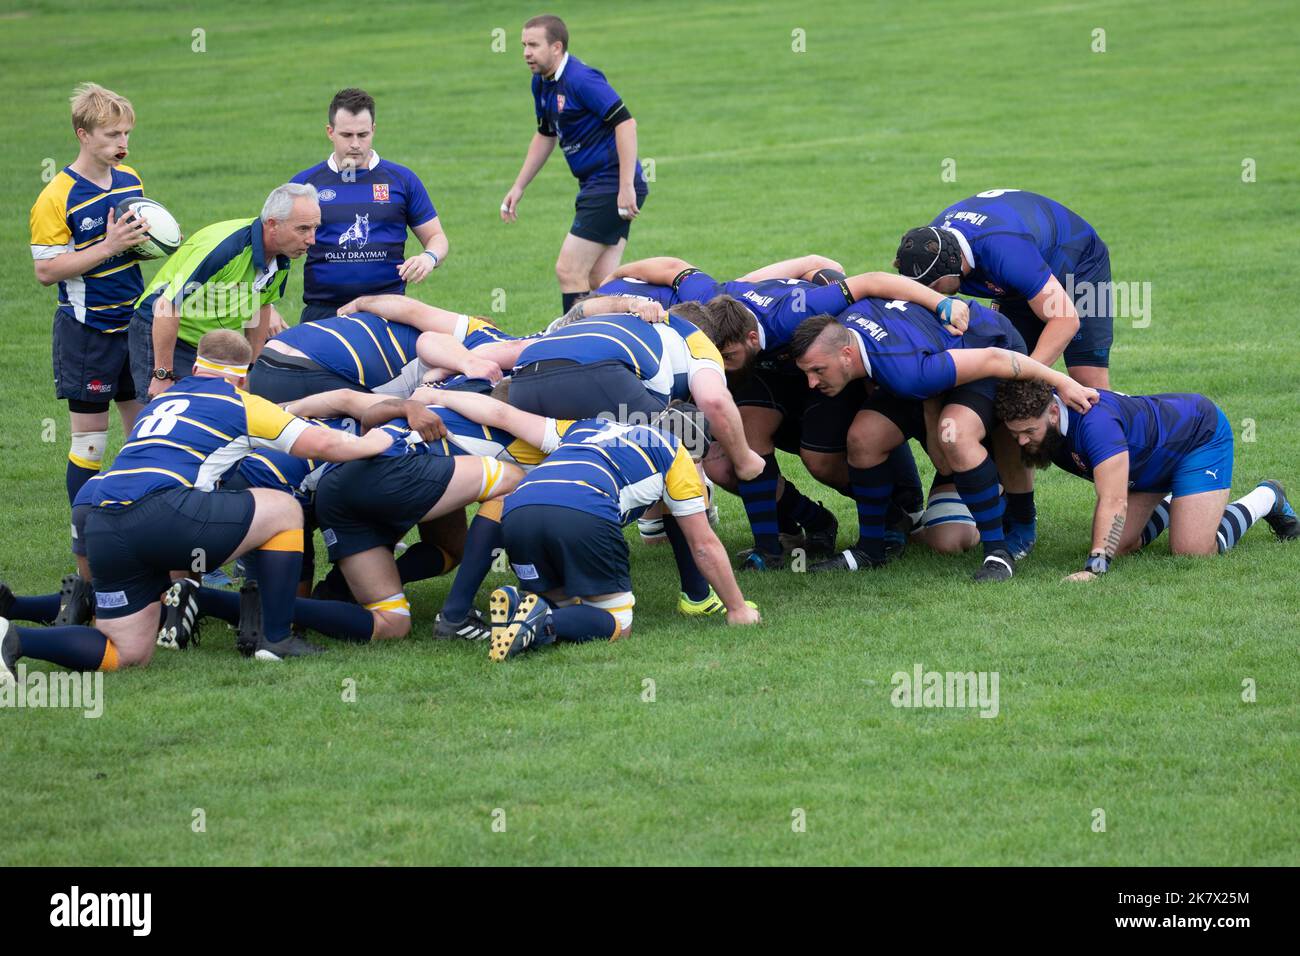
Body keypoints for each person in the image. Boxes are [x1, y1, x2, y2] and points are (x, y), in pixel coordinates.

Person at [0, 330, 397, 686]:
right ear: (245, 377)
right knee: (283, 509)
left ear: (194, 367)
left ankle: (15, 637)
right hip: (163, 511)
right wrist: (378, 442)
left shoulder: (162, 400)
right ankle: (275, 638)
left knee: (127, 653)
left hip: (100, 516)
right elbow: (324, 444)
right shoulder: (243, 402)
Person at [789, 304, 1099, 580]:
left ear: (846, 354)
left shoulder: (908, 371)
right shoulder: (847, 323)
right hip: (930, 362)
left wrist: (1062, 381)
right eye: (807, 373)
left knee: (954, 433)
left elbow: (994, 359)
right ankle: (871, 549)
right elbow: (873, 280)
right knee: (862, 438)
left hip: (990, 347)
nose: (812, 383)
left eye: (818, 371)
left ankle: (998, 553)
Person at [492, 403, 760, 662]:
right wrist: (738, 608)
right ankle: (541, 619)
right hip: (583, 509)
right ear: (694, 454)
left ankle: (524, 606)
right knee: (618, 624)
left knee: (564, 601)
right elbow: (703, 544)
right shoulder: (675, 452)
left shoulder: (592, 426)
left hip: (517, 507)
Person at [994, 380, 1298, 579]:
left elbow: (1113, 500)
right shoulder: (1045, 417)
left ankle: (1267, 497)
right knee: (1121, 544)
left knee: (1191, 550)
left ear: (1053, 413)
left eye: (1028, 432)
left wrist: (1095, 568)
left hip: (1197, 438)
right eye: (1014, 433)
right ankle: (1178, 500)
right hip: (1146, 469)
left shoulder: (1095, 427)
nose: (1021, 442)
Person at [30, 83, 150, 511]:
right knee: (91, 445)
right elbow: (46, 271)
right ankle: (86, 543)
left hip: (134, 327)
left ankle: (140, 533)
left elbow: (134, 247)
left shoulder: (130, 180)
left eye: (127, 134)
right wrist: (109, 246)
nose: (123, 144)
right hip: (88, 331)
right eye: (113, 135)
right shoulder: (56, 196)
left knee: (145, 438)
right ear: (83, 134)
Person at [500, 14, 648, 313]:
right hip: (596, 184)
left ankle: (570, 343)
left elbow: (626, 123)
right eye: (523, 45)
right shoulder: (541, 83)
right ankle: (621, 333)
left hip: (610, 183)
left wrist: (625, 186)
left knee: (568, 270)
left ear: (556, 47)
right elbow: (545, 134)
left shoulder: (582, 79)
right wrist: (519, 186)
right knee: (601, 280)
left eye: (533, 45)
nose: (526, 52)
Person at [130, 183, 320, 401]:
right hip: (162, 331)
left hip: (209, 342)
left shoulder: (281, 256)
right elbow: (167, 306)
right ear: (272, 224)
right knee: (168, 412)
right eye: (303, 229)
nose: (311, 240)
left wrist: (251, 371)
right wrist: (162, 374)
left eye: (315, 228)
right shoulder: (225, 249)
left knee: (216, 411)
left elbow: (261, 307)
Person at [291, 88, 449, 323]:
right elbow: (273, 248)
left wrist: (428, 258)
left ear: (374, 130)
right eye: (346, 135)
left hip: (388, 311)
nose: (355, 144)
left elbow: (437, 237)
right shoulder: (305, 184)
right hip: (324, 313)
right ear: (330, 132)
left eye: (363, 135)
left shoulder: (402, 180)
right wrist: (266, 306)